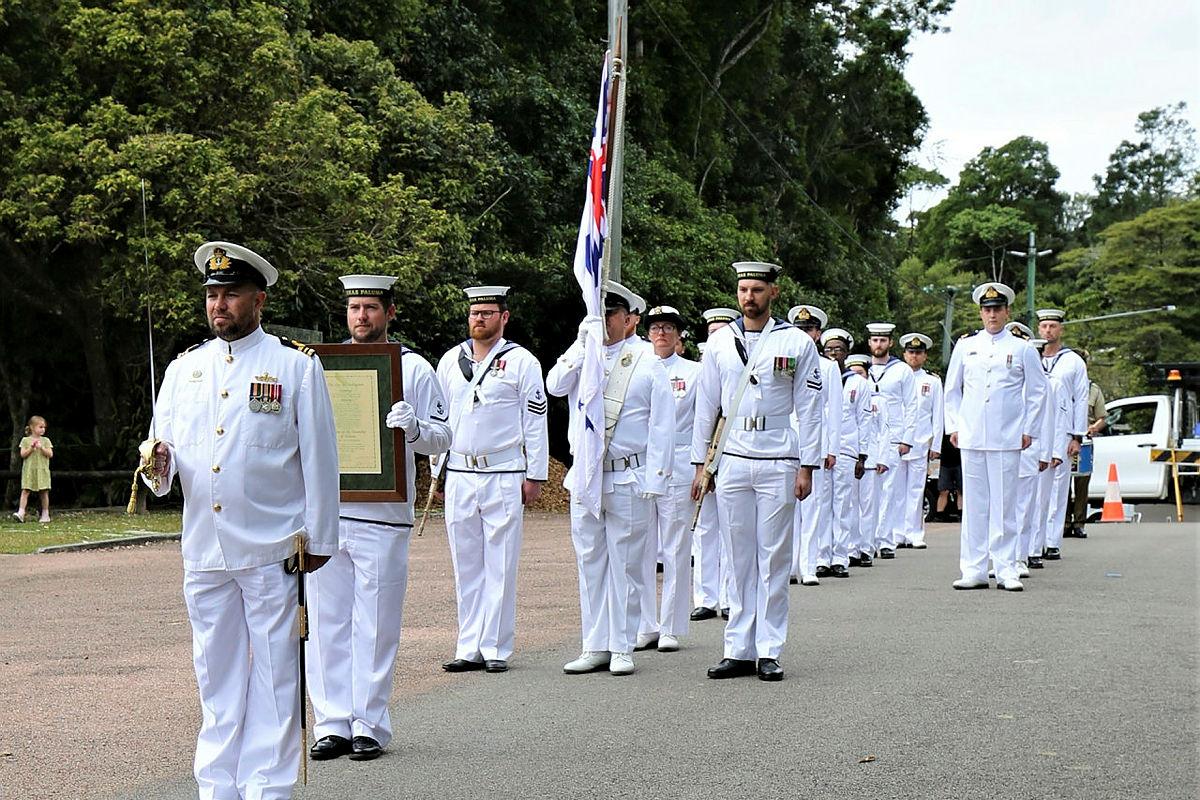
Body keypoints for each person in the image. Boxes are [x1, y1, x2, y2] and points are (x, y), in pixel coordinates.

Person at [141, 241, 341, 799]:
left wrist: (321, 536)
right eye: (212, 295)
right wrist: (157, 467)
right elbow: (163, 463)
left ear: (259, 300)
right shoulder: (185, 370)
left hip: (272, 547)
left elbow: (321, 458)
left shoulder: (295, 366)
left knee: (276, 677)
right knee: (215, 677)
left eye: (230, 294)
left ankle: (268, 789)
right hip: (205, 548)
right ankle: (217, 787)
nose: (219, 305)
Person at [306, 274, 452, 763]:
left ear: (390, 311)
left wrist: (415, 431)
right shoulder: (320, 367)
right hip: (331, 509)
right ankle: (331, 722)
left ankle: (369, 722)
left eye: (370, 307)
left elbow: (443, 436)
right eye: (353, 308)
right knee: (326, 621)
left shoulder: (412, 368)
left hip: (384, 513)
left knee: (375, 621)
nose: (361, 317)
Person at [691, 262, 821, 682]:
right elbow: (705, 406)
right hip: (732, 458)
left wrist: (807, 465)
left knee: (774, 557)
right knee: (737, 556)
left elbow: (811, 409)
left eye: (757, 289)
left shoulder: (796, 341)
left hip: (778, 457)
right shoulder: (719, 342)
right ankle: (737, 648)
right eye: (743, 289)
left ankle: (769, 649)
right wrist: (701, 465)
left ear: (774, 292)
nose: (749, 297)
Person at [547, 280, 674, 676]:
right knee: (590, 562)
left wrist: (656, 478)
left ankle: (622, 645)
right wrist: (580, 345)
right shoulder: (584, 354)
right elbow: (554, 385)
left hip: (626, 475)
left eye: (611, 315)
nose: (604, 323)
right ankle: (594, 644)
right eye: (599, 315)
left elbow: (662, 424)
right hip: (586, 474)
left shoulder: (645, 359)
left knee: (625, 564)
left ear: (630, 319)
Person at [434, 286, 548, 674]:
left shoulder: (521, 361)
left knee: (500, 561)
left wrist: (535, 474)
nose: (478, 319)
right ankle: (468, 645)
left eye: (486, 313)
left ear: (504, 317)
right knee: (465, 562)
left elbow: (535, 420)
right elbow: (439, 418)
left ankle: (496, 646)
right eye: (473, 313)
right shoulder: (451, 360)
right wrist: (437, 470)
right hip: (461, 471)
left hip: (503, 471)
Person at [944, 282, 1046, 592]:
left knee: (1005, 506)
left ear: (1007, 312)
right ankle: (973, 569)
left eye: (997, 309)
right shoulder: (966, 345)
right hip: (973, 435)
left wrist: (1029, 429)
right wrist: (954, 427)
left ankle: (1006, 569)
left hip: (1007, 436)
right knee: (975, 506)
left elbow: (1038, 391)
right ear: (980, 312)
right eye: (987, 309)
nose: (992, 314)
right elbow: (953, 390)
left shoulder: (1021, 348)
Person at [636, 305, 700, 653]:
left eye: (668, 328)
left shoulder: (693, 372)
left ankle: (672, 625)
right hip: (642, 464)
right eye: (656, 327)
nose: (661, 333)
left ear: (679, 336)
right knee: (642, 548)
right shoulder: (637, 369)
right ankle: (646, 623)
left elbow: (706, 419)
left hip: (678, 462)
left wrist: (703, 466)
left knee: (675, 548)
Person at [690, 307, 740, 622]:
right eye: (712, 330)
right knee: (705, 528)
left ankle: (729, 597)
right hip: (706, 451)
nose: (716, 335)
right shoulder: (696, 368)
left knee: (732, 530)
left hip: (734, 448)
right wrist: (699, 462)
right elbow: (697, 416)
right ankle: (705, 597)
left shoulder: (738, 361)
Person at [787, 305, 842, 585]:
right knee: (786, 509)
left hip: (815, 443)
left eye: (808, 329)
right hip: (787, 442)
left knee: (812, 507)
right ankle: (788, 566)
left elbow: (833, 410)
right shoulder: (784, 360)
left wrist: (831, 448)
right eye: (799, 329)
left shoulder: (828, 367)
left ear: (818, 333)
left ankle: (808, 565)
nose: (804, 334)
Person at [1036, 309, 1089, 560]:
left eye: (1053, 326)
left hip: (1062, 429)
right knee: (1034, 487)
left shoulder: (1073, 361)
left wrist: (1077, 436)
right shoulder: (1030, 356)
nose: (1048, 331)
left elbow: (1081, 399)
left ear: (1061, 329)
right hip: (1035, 431)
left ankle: (1052, 540)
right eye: (1044, 326)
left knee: (1058, 486)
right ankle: (1033, 540)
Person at [865, 322, 917, 559]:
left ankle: (885, 540)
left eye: (883, 340)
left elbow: (911, 406)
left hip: (893, 437)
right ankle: (865, 540)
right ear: (869, 343)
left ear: (890, 343)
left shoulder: (902, 370)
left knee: (889, 491)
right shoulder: (860, 368)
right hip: (867, 438)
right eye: (875, 340)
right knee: (866, 492)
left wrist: (907, 438)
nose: (879, 344)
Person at [823, 331, 870, 575]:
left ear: (847, 352)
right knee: (821, 504)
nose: (833, 353)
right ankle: (821, 556)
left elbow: (864, 419)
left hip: (847, 450)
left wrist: (863, 455)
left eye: (838, 349)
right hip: (821, 449)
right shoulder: (818, 375)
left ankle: (839, 557)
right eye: (829, 349)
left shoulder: (858, 383)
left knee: (843, 505)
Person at [1013, 331, 1059, 574]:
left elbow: (1048, 420)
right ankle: (1000, 557)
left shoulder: (1042, 382)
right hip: (1002, 448)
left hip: (1029, 451)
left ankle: (1020, 556)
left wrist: (1045, 453)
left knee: (1024, 506)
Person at [896, 334, 943, 549]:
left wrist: (936, 446)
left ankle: (914, 532)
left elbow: (937, 415)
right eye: (911, 352)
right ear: (904, 354)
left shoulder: (931, 381)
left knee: (916, 490)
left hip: (921, 442)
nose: (914, 356)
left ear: (924, 356)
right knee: (896, 490)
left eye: (918, 353)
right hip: (896, 442)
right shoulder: (895, 376)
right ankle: (896, 532)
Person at [842, 354, 879, 568]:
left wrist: (875, 457)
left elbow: (880, 432)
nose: (856, 376)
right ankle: (853, 547)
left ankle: (866, 546)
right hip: (850, 454)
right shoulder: (844, 390)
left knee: (867, 505)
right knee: (850, 503)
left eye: (860, 372)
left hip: (869, 457)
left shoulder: (877, 399)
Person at [1065, 352, 1106, 538]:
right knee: (1062, 483)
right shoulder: (1060, 383)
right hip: (1063, 439)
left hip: (1085, 441)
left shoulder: (1093, 389)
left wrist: (1093, 427)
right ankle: (1063, 522)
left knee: (1082, 482)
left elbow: (1102, 417)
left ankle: (1079, 522)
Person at [14, 415, 53, 523]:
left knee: (44, 492)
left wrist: (42, 448)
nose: (43, 429)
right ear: (32, 427)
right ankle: (21, 512)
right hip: (29, 470)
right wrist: (31, 448)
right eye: (40, 427)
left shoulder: (46, 440)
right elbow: (23, 454)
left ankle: (45, 514)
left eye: (44, 427)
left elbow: (50, 454)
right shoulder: (25, 440)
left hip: (42, 470)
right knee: (25, 490)